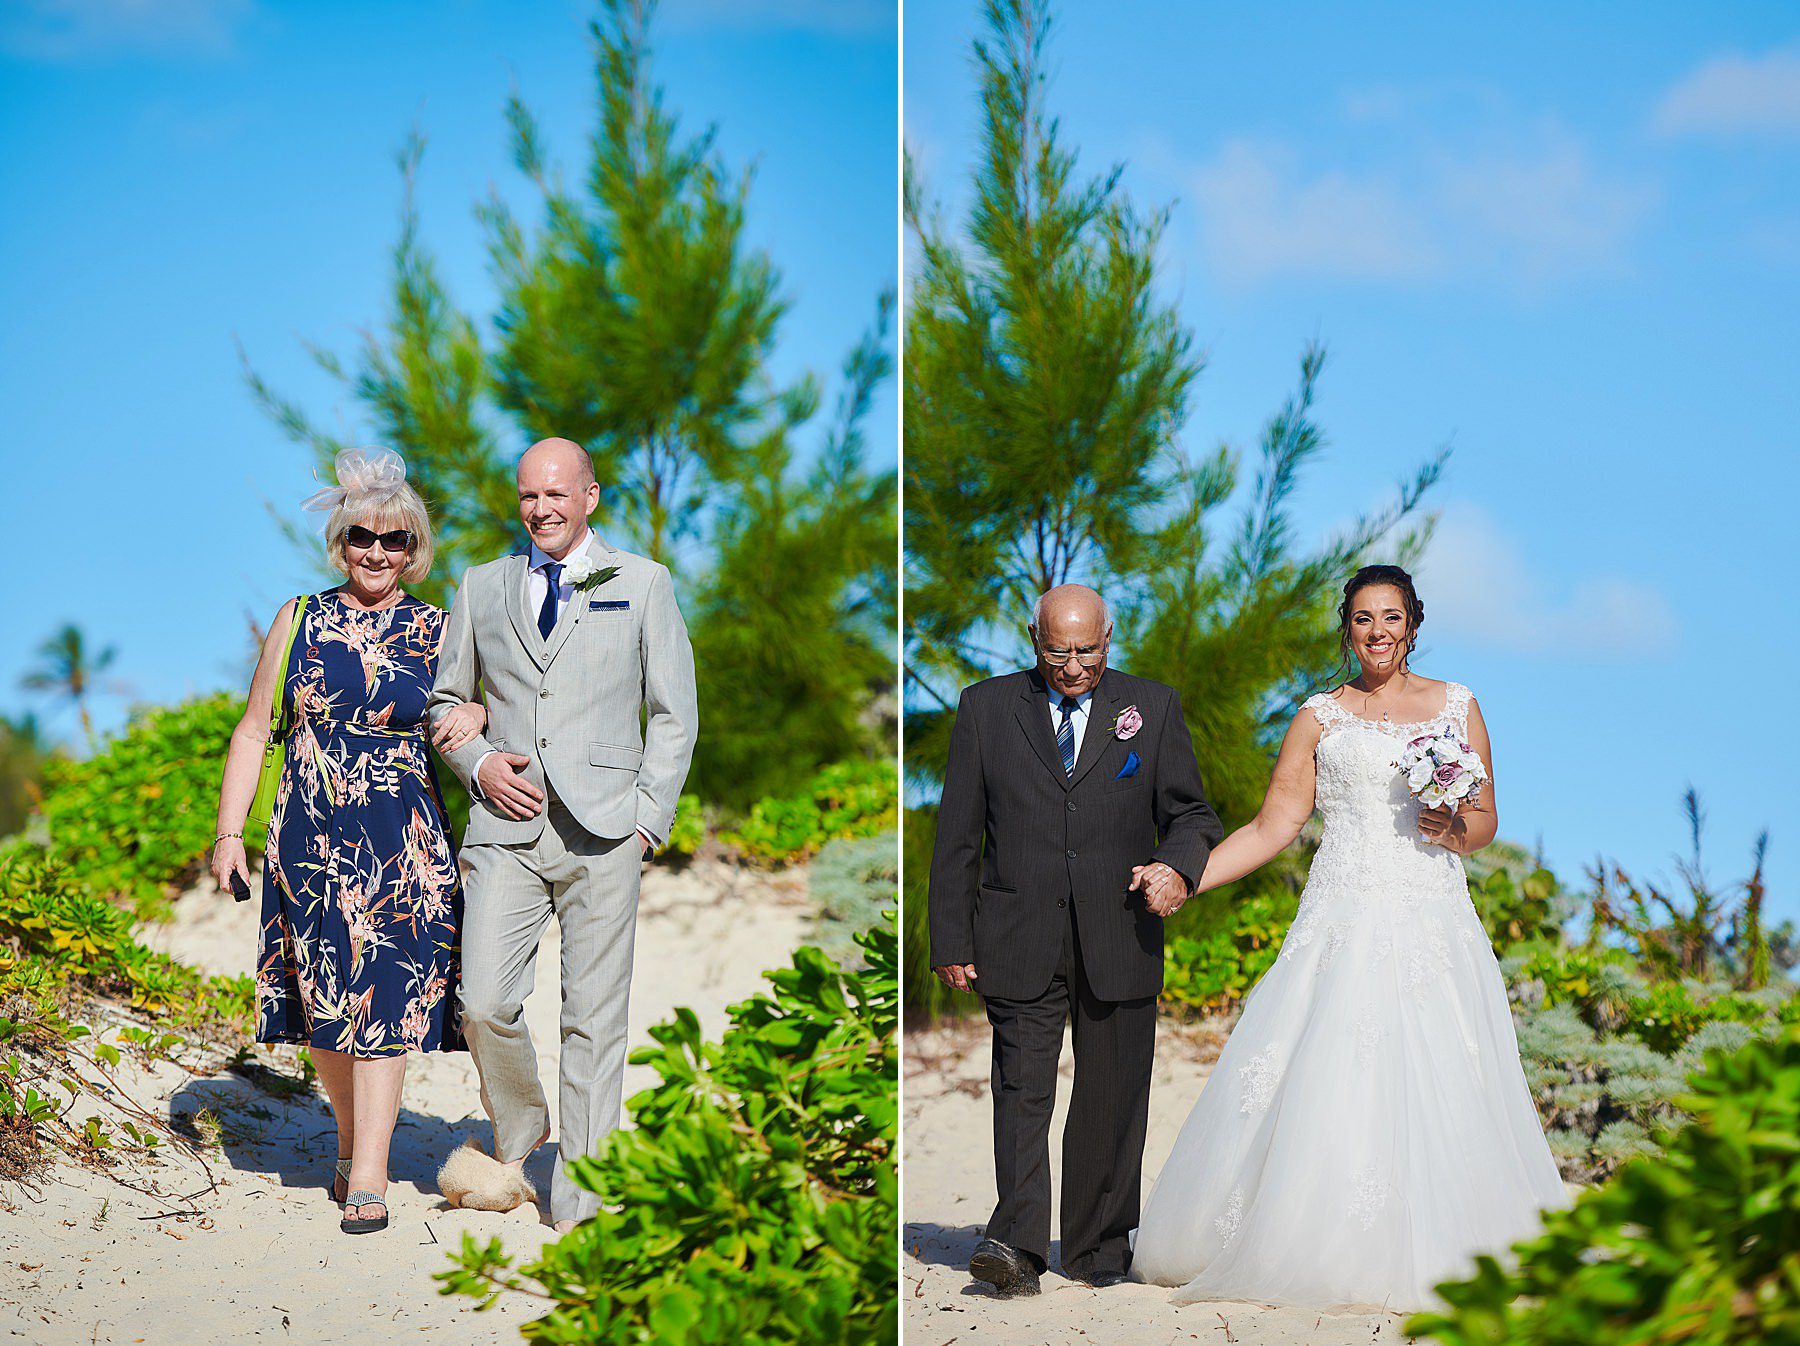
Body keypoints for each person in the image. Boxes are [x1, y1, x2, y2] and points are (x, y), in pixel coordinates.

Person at [1130, 564, 1568, 1311]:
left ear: (1414, 626)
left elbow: (1488, 819)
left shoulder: (1456, 706)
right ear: (1347, 628)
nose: (1378, 633)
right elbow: (1273, 826)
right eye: (1363, 619)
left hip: (1432, 912)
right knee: (1325, 1065)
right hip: (1341, 913)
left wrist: (1453, 828)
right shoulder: (1319, 717)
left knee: (1441, 1070)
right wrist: (1185, 876)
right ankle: (1306, 1237)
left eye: (1391, 618)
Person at [211, 447, 486, 1235]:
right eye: (362, 535)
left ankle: (370, 1168)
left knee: (387, 1000)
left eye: (393, 540)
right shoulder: (297, 617)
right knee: (321, 1000)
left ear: (415, 549)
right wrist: (231, 832)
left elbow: (487, 707)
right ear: (341, 539)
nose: (376, 551)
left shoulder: (439, 627)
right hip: (306, 830)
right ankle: (347, 1139)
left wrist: (481, 718)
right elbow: (256, 728)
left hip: (404, 834)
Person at [427, 436, 698, 1232]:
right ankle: (522, 1129)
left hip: (608, 833)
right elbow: (445, 703)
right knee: (482, 1002)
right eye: (526, 497)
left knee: (594, 1021)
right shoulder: (482, 586)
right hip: (505, 833)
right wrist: (477, 764)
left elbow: (674, 714)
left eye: (556, 495)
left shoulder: (645, 584)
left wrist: (649, 819)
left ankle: (576, 1205)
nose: (540, 510)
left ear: (590, 496)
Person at [927, 584, 1223, 1296]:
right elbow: (959, 834)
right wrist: (950, 938)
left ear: (1109, 639)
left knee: (1112, 1099)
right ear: (1034, 640)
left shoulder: (1152, 708)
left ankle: (1097, 1251)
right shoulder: (985, 708)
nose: (1072, 666)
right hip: (1016, 934)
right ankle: (1018, 1246)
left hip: (1120, 933)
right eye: (1057, 651)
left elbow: (1192, 815)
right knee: (1021, 1091)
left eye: (1086, 651)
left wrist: (1177, 868)